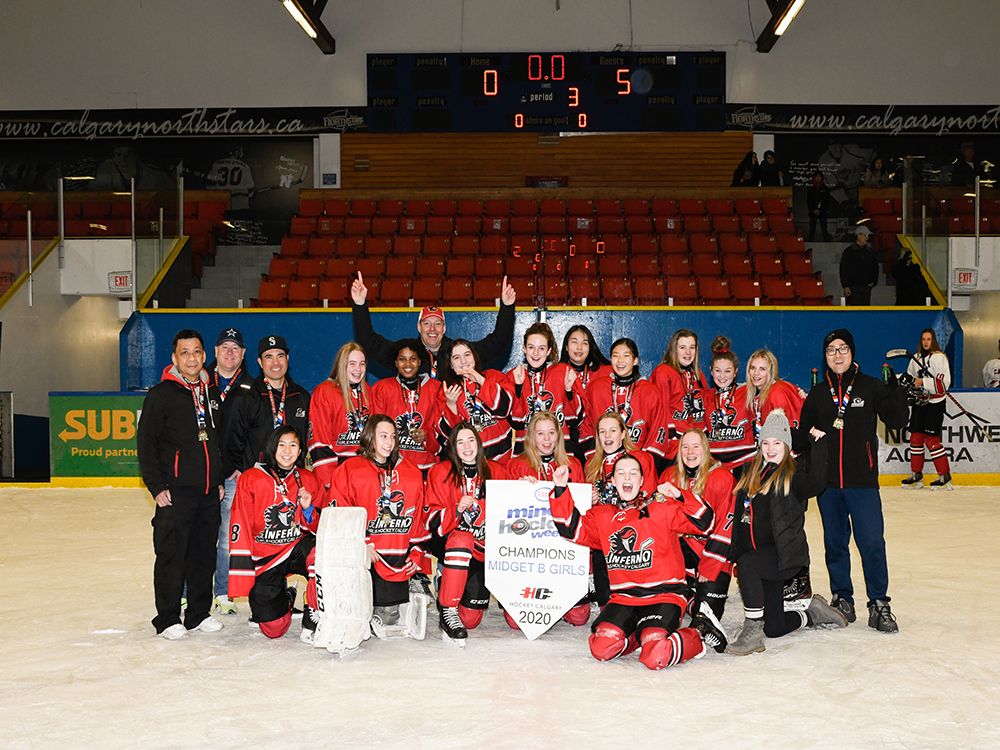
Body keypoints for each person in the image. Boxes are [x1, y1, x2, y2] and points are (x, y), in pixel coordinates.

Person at [548, 456, 722, 670]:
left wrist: (679, 494)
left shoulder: (662, 508)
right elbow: (569, 529)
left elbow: (706, 523)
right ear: (612, 481)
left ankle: (700, 631)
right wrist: (559, 488)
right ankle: (638, 636)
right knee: (601, 648)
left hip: (664, 595)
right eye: (621, 472)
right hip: (624, 598)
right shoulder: (603, 515)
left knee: (656, 656)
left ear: (641, 481)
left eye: (633, 473)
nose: (627, 477)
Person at [799, 328, 908, 633]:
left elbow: (898, 421)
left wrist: (896, 391)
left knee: (872, 542)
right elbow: (802, 434)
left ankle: (879, 603)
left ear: (852, 352)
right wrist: (810, 441)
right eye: (831, 349)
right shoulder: (819, 394)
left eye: (843, 348)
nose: (837, 354)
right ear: (825, 356)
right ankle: (842, 597)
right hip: (829, 485)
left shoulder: (872, 387)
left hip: (862, 483)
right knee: (835, 544)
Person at [725, 410, 847, 655]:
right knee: (775, 627)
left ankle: (752, 631)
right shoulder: (750, 473)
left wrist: (819, 444)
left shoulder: (793, 477)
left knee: (748, 564)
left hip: (783, 557)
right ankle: (812, 614)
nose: (771, 449)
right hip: (761, 558)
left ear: (787, 446)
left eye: (777, 443)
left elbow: (817, 483)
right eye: (766, 443)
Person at [137, 329, 225, 640]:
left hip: (207, 492)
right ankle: (167, 618)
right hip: (175, 493)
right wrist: (156, 486)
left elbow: (215, 441)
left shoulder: (210, 392)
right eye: (184, 353)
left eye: (197, 352)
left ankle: (198, 613)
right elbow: (145, 444)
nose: (191, 358)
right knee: (172, 556)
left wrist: (216, 480)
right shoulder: (161, 395)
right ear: (175, 358)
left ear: (204, 356)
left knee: (203, 555)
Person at [328, 415, 429, 639]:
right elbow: (340, 514)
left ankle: (413, 585)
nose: (389, 442)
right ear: (370, 437)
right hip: (366, 555)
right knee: (363, 611)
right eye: (383, 436)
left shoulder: (411, 473)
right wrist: (362, 543)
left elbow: (420, 518)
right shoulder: (350, 470)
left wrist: (416, 550)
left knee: (389, 615)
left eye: (393, 437)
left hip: (397, 557)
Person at [228, 426, 322, 641]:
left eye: (293, 445)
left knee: (321, 556)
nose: (287, 451)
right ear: (272, 447)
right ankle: (287, 597)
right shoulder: (251, 478)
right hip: (266, 559)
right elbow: (239, 524)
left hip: (296, 548)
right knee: (274, 629)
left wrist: (308, 509)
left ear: (300, 452)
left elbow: (321, 528)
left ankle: (313, 616)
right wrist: (243, 575)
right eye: (282, 445)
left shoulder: (308, 479)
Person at [425, 424, 509, 645]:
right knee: (463, 537)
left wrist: (527, 487)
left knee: (471, 620)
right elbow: (432, 521)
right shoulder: (440, 472)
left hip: (489, 550)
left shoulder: (498, 471)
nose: (467, 446)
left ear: (478, 443)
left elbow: (515, 509)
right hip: (456, 546)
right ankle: (448, 608)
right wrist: (456, 509)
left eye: (471, 440)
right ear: (453, 447)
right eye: (460, 442)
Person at [658, 429, 737, 652]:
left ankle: (695, 604)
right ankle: (686, 598)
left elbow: (726, 525)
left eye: (695, 447)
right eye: (685, 447)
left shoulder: (722, 477)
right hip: (680, 549)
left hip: (711, 552)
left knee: (709, 614)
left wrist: (710, 565)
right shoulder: (669, 476)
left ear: (706, 449)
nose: (690, 452)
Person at [351, 273, 517, 378]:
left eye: (437, 324)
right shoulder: (407, 353)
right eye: (427, 323)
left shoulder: (459, 352)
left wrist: (507, 307)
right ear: (419, 327)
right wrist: (359, 304)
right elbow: (369, 343)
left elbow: (498, 344)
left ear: (444, 328)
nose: (432, 329)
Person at [206, 327, 254, 615]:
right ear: (215, 352)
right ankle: (190, 590)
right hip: (202, 473)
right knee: (199, 533)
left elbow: (256, 432)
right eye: (224, 347)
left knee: (226, 536)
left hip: (233, 475)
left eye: (235, 348)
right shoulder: (200, 382)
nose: (229, 353)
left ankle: (222, 592)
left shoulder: (251, 386)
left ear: (243, 354)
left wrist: (241, 466)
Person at [227, 335, 310, 477]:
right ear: (260, 362)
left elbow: (307, 438)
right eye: (268, 357)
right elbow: (234, 439)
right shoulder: (247, 396)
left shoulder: (301, 396)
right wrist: (240, 468)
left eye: (280, 356)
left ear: (287, 359)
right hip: (257, 476)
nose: (275, 363)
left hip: (293, 477)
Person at [579, 338, 666, 462]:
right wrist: (596, 460)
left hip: (636, 468)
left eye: (626, 355)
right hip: (601, 463)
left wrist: (641, 465)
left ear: (635, 360)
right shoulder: (596, 389)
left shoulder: (650, 392)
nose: (620, 360)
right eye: (615, 356)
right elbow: (586, 428)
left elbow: (658, 432)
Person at [507, 322, 582, 455]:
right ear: (524, 349)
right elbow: (516, 423)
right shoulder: (514, 375)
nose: (536, 353)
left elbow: (575, 420)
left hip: (559, 450)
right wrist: (518, 388)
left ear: (549, 351)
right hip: (526, 451)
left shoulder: (564, 372)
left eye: (541, 348)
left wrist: (569, 392)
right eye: (531, 347)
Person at [371, 339, 444, 472]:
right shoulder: (382, 388)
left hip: (426, 466)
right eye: (402, 359)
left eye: (413, 359)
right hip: (392, 467)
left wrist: (427, 436)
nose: (408, 364)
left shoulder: (436, 389)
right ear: (396, 363)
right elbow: (375, 430)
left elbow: (443, 431)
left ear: (420, 361)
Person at [308, 342, 372, 492]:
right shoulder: (324, 392)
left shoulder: (368, 392)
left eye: (362, 364)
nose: (358, 369)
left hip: (365, 474)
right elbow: (318, 439)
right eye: (352, 364)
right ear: (342, 364)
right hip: (338, 473)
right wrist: (330, 482)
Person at [438, 339, 515, 461]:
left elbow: (503, 410)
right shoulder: (447, 391)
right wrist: (451, 405)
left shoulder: (494, 376)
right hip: (470, 462)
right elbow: (449, 436)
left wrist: (480, 380)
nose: (463, 361)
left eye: (467, 355)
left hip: (503, 460)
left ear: (474, 356)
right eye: (456, 357)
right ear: (451, 365)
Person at [901, 329, 953, 490]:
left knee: (932, 440)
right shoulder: (916, 358)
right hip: (920, 403)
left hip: (935, 404)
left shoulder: (939, 357)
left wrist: (922, 381)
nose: (925, 342)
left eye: (929, 339)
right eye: (923, 339)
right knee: (916, 438)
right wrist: (906, 381)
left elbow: (943, 385)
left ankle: (944, 475)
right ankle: (916, 473)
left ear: (933, 340)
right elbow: (911, 378)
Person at [559, 323, 612, 461]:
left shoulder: (605, 372)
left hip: (596, 439)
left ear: (590, 347)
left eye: (584, 343)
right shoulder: (557, 372)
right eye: (574, 342)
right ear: (566, 347)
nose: (579, 347)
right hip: (566, 439)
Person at [703, 336, 755, 469]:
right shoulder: (706, 396)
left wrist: (799, 392)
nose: (722, 376)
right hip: (715, 464)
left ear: (735, 372)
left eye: (727, 371)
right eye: (717, 371)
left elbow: (772, 385)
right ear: (711, 371)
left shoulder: (748, 390)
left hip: (745, 461)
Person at [651, 329, 707, 449]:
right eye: (682, 347)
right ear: (674, 349)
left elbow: (704, 407)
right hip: (675, 440)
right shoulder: (663, 372)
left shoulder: (699, 375)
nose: (688, 352)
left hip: (696, 438)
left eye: (692, 347)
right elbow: (661, 408)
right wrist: (671, 435)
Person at [744, 348, 805, 440]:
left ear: (771, 371)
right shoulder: (759, 392)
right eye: (753, 368)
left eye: (762, 369)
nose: (756, 373)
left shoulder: (776, 393)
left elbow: (782, 434)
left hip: (787, 451)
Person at [839, 225, 879, 306]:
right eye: (866, 235)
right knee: (854, 313)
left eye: (868, 236)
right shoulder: (849, 252)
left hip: (866, 287)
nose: (867, 238)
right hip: (853, 287)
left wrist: (874, 281)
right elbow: (843, 269)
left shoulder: (869, 252)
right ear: (859, 235)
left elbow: (875, 267)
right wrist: (845, 286)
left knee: (865, 312)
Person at [806, 171, 831, 242]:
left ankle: (827, 244)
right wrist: (813, 210)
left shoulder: (825, 188)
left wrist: (820, 210)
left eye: (819, 176)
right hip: (812, 212)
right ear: (814, 178)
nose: (818, 178)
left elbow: (827, 201)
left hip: (823, 212)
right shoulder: (811, 189)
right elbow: (808, 201)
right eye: (816, 176)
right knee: (812, 229)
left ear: (822, 178)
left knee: (824, 229)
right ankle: (810, 244)